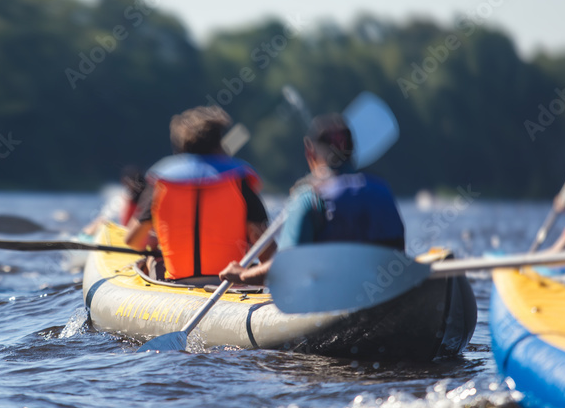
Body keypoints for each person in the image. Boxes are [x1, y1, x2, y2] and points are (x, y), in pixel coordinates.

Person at [219, 112, 405, 286]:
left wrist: (242, 275)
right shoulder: (382, 190)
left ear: (310, 151)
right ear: (352, 150)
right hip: (381, 292)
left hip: (330, 299)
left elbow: (285, 269)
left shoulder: (308, 197)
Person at [124, 106, 269, 282]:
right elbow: (266, 250)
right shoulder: (239, 181)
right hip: (229, 284)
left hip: (177, 284)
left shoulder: (161, 184)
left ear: (180, 147)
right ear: (219, 143)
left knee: (153, 261)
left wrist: (158, 242)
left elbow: (132, 240)